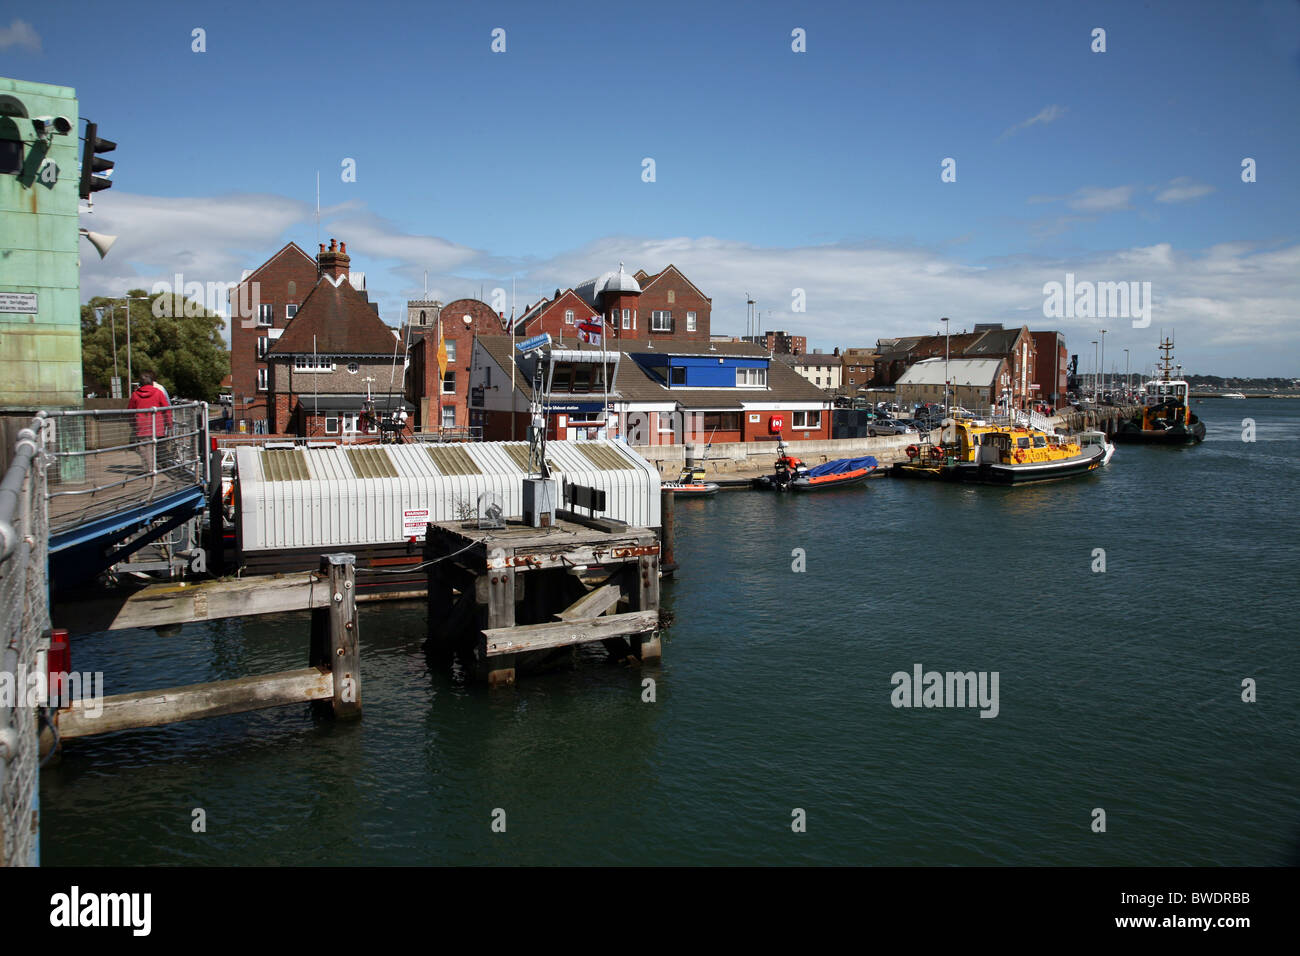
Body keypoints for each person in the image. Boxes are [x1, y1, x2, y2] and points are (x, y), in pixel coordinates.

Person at [127, 372, 172, 473]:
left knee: (144, 448)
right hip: (158, 426)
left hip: (142, 426)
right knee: (158, 447)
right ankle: (157, 467)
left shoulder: (135, 395)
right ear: (152, 382)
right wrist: (169, 424)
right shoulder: (158, 393)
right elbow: (167, 409)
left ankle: (149, 469)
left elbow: (130, 411)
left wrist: (132, 424)